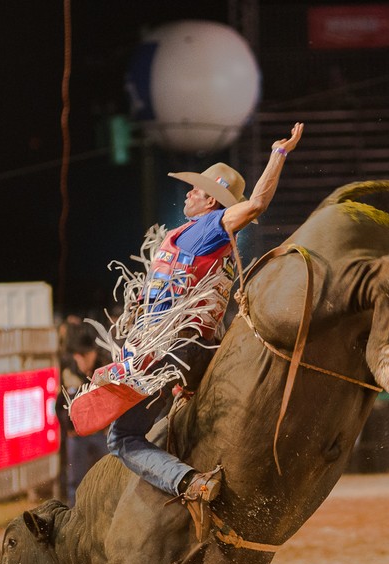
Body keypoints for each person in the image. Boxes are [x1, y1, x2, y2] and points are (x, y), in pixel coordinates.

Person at [69, 122, 303, 507]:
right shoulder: (188, 237)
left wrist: (278, 154)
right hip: (186, 350)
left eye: (198, 189)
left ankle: (189, 482)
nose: (190, 192)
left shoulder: (211, 227)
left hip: (174, 351)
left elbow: (258, 203)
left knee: (122, 439)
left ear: (212, 201)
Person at [59, 325, 109, 507]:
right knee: (76, 480)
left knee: (107, 477)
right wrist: (68, 428)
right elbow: (59, 405)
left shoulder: (105, 370)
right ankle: (75, 515)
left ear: (93, 353)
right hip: (77, 436)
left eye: (84, 354)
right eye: (78, 355)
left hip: (100, 433)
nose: (81, 359)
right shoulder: (68, 372)